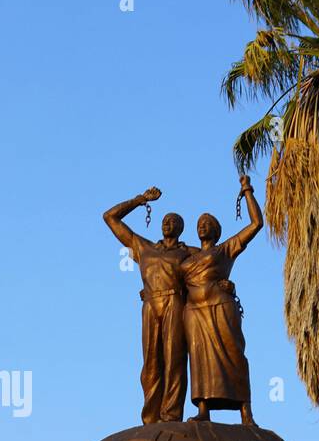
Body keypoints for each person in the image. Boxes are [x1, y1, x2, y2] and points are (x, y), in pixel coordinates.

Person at [179, 174, 263, 425]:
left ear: (216, 231)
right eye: (199, 223)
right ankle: (203, 408)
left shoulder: (225, 249)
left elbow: (256, 224)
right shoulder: (187, 256)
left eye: (207, 223)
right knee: (199, 358)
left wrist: (247, 190)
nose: (202, 226)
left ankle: (245, 411)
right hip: (194, 312)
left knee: (234, 354)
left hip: (221, 308)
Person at [103, 186, 189, 424]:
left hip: (175, 302)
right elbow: (110, 217)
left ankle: (171, 414)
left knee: (174, 359)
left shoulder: (188, 253)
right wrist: (140, 200)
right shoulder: (145, 248)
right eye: (165, 220)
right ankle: (150, 416)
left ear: (181, 228)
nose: (167, 223)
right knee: (151, 361)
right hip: (151, 303)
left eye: (173, 221)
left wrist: (223, 285)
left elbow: (211, 266)